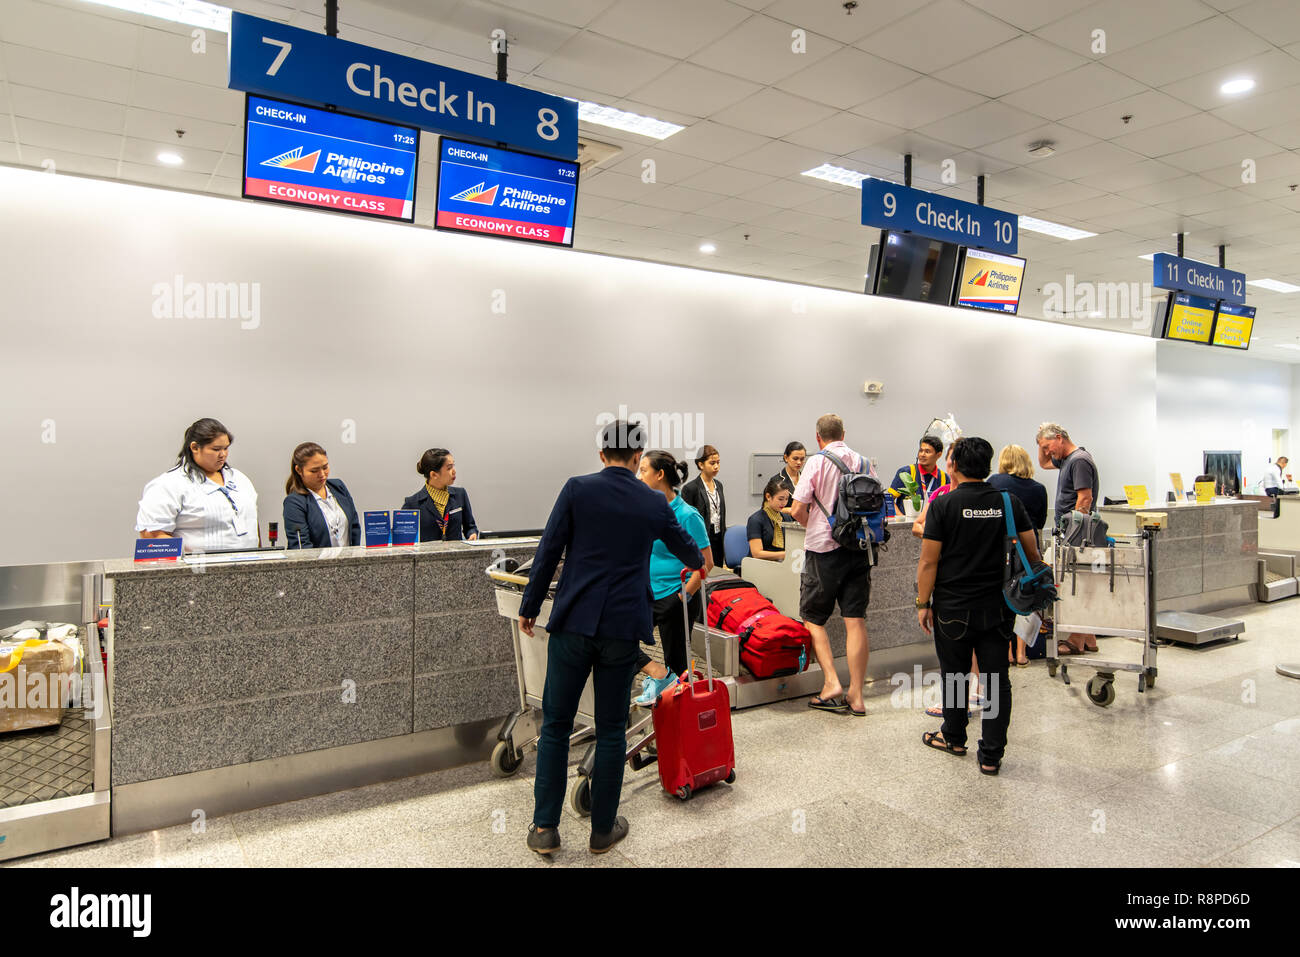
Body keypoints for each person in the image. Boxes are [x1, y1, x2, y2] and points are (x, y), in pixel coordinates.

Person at [519, 421, 704, 857]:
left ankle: (545, 829)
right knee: (610, 731)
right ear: (638, 458)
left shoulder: (577, 489)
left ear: (602, 454)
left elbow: (548, 550)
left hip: (574, 623)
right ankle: (603, 830)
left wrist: (529, 606)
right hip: (622, 629)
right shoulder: (653, 501)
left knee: (557, 725)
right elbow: (693, 555)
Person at [916, 437, 1041, 776]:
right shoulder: (1008, 501)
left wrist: (922, 603)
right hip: (998, 608)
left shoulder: (944, 505)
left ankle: (954, 738)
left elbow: (928, 563)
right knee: (997, 679)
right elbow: (1032, 551)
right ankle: (991, 755)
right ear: (987, 466)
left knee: (955, 675)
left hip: (952, 607)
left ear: (952, 464)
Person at [790, 413, 874, 717]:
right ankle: (858, 695)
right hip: (860, 549)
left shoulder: (816, 462)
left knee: (813, 618)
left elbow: (799, 508)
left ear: (818, 437)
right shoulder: (864, 462)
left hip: (823, 550)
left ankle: (831, 684)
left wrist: (812, 524)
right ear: (844, 433)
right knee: (855, 620)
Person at [632, 450, 714, 706]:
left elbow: (706, 563)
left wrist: (684, 595)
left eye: (644, 470)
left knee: (677, 664)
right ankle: (658, 675)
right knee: (619, 642)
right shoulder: (646, 510)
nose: (639, 475)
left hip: (675, 596)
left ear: (660, 475)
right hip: (647, 593)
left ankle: (675, 728)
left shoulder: (688, 515)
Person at [136, 418, 260, 553]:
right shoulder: (168, 485)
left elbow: (253, 523)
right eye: (216, 449)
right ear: (194, 447)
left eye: (226, 448)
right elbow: (151, 535)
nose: (223, 454)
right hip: (199, 569)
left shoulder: (240, 479)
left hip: (249, 563)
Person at [1036, 423, 1099, 655]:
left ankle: (1076, 639)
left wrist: (1070, 536)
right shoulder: (1067, 460)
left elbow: (1085, 500)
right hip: (1071, 534)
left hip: (1076, 537)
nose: (1047, 451)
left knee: (1077, 587)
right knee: (1076, 584)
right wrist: (1041, 442)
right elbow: (1043, 463)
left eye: (1049, 445)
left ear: (1060, 438)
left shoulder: (1079, 460)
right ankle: (1090, 638)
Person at [989, 444, 1049, 666]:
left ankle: (1007, 652)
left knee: (1003, 600)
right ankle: (1022, 653)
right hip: (1028, 549)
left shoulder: (994, 482)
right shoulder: (1038, 488)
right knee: (1024, 599)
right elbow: (1040, 522)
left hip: (1001, 549)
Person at [282, 442, 361, 549]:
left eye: (325, 467)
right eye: (314, 471)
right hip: (318, 564)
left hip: (348, 561)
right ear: (299, 470)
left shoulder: (339, 487)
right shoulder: (294, 502)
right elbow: (301, 546)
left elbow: (354, 526)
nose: (322, 474)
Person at [404, 448, 478, 542]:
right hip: (428, 555)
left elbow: (470, 527)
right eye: (449, 468)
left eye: (453, 466)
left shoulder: (460, 494)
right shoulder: (412, 504)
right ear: (434, 475)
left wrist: (472, 534)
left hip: (457, 555)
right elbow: (403, 538)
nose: (454, 471)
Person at [681, 445, 726, 564]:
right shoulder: (690, 488)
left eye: (718, 462)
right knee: (703, 573)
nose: (716, 466)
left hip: (718, 536)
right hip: (701, 537)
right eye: (712, 463)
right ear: (701, 465)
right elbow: (686, 520)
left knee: (717, 572)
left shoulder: (719, 485)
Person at [888, 435, 950, 514]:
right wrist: (903, 519)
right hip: (908, 524)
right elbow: (889, 499)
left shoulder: (944, 478)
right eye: (921, 451)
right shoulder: (906, 472)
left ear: (938, 455)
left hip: (932, 524)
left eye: (927, 451)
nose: (922, 455)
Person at [746, 475, 791, 562]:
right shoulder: (756, 520)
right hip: (760, 565)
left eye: (786, 499)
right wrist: (786, 554)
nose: (784, 503)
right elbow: (757, 554)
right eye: (780, 499)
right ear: (768, 497)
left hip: (781, 563)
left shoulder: (786, 518)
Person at [775, 441, 806, 517]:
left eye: (802, 459)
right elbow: (769, 509)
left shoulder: (807, 479)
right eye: (795, 459)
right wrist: (791, 510)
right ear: (786, 458)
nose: (799, 462)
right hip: (784, 524)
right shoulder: (776, 480)